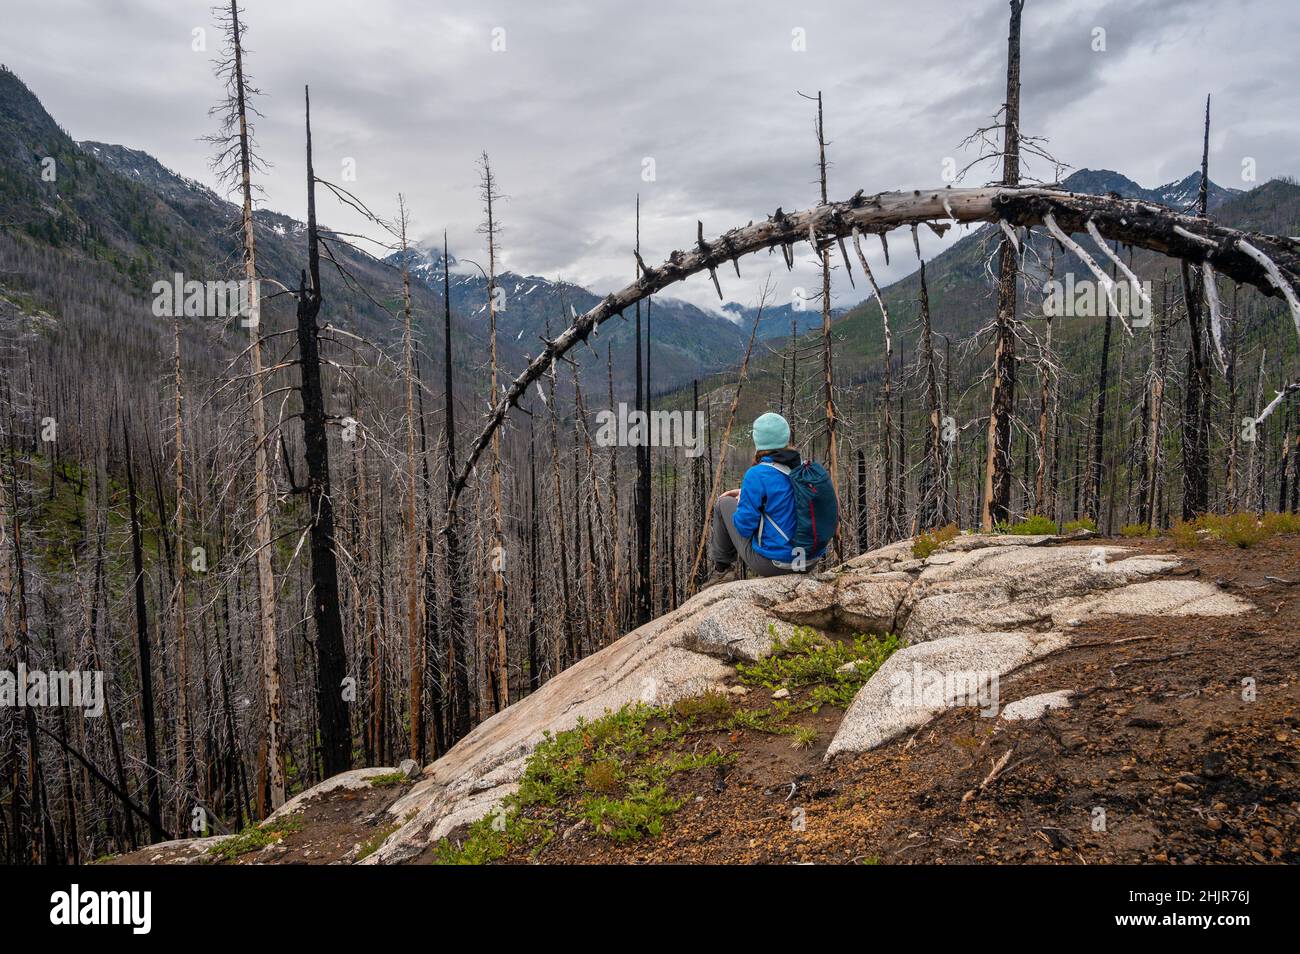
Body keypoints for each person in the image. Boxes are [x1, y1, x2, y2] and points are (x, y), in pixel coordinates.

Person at [705, 411, 828, 586]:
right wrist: (747, 493)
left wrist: (743, 503)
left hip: (776, 565)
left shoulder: (757, 475)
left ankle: (722, 572)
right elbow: (786, 494)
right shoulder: (806, 470)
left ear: (759, 443)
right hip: (809, 561)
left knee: (722, 503)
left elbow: (744, 527)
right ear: (786, 438)